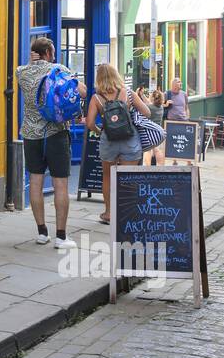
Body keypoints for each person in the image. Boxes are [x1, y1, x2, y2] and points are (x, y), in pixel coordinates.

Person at [16, 37, 86, 247]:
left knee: (35, 183)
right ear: (47, 52)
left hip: (30, 134)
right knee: (60, 184)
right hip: (55, 133)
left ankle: (41, 233)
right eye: (52, 51)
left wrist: (32, 60)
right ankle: (61, 237)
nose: (54, 55)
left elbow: (27, 69)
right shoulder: (59, 68)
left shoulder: (21, 72)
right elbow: (81, 90)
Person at [84, 63, 151, 225]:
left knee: (107, 177)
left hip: (109, 140)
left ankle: (108, 213)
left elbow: (90, 123)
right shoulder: (127, 92)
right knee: (129, 177)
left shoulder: (96, 98)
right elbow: (147, 113)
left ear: (99, 78)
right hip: (129, 139)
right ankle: (128, 213)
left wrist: (100, 131)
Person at [145, 89, 165, 166]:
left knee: (148, 150)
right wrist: (143, 96)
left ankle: (148, 168)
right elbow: (148, 103)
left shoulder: (150, 107)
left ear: (153, 98)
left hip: (150, 132)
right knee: (157, 150)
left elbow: (145, 105)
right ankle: (160, 166)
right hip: (159, 132)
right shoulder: (161, 107)